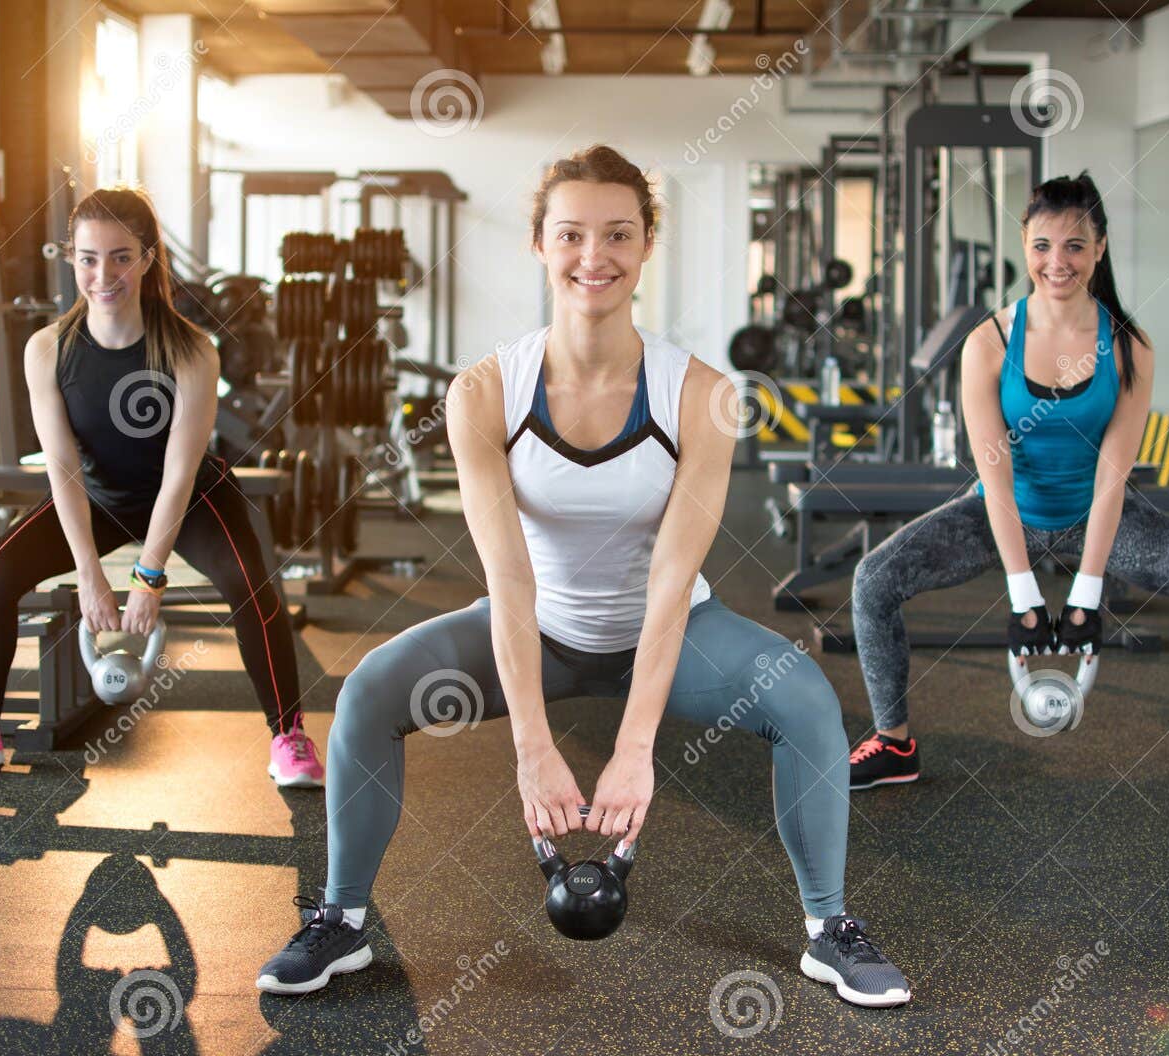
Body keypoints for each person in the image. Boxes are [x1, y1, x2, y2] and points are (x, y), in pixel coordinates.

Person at [257, 145, 911, 1007]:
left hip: (670, 632)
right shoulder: (485, 392)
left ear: (646, 245)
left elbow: (672, 580)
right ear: (539, 243)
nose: (592, 256)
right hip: (537, 626)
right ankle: (341, 920)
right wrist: (532, 749)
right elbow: (508, 578)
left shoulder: (701, 396)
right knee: (372, 691)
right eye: (570, 234)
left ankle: (829, 930)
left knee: (806, 704)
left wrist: (636, 750)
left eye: (617, 234)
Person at [847, 173, 1169, 800]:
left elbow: (1112, 477)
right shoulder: (988, 343)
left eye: (1075, 245)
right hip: (1005, 512)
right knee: (873, 581)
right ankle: (894, 744)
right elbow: (993, 476)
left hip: (1095, 513)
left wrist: (1087, 591)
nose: (1058, 261)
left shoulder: (1129, 347)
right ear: (1024, 245)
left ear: (1100, 248)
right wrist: (1023, 593)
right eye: (1043, 245)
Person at [0, 187, 324, 789]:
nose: (104, 275)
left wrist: (148, 576)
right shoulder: (48, 349)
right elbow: (62, 466)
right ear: (71, 259)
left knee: (249, 584)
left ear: (148, 258)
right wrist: (89, 573)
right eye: (88, 258)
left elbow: (179, 472)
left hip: (191, 497)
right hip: (100, 497)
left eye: (121, 257)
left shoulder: (191, 350)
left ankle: (288, 736)